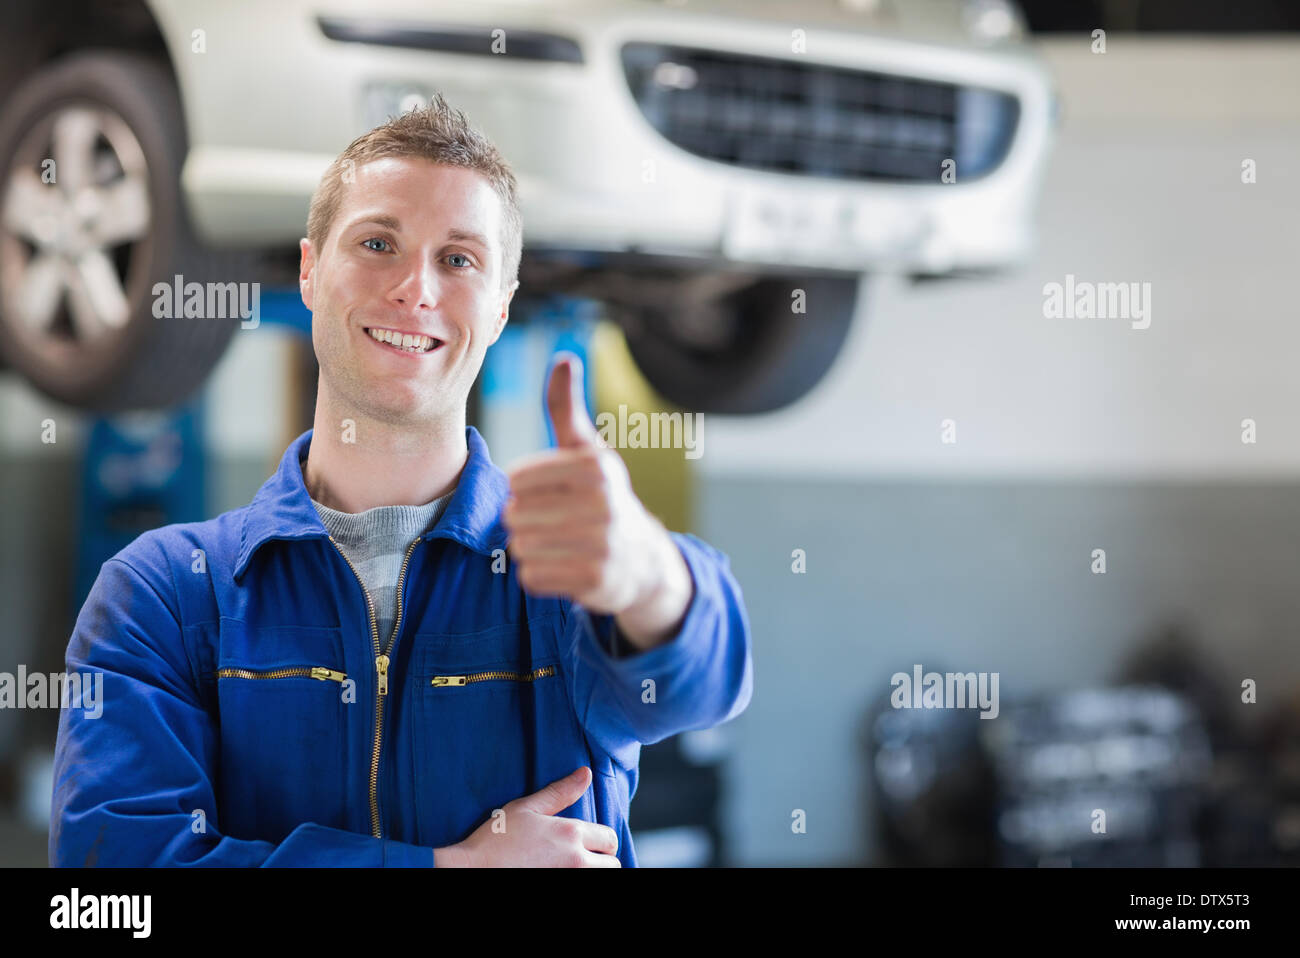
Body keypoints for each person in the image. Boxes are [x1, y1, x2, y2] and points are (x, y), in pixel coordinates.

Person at [48, 94, 752, 867]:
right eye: (378, 243)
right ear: (311, 272)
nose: (416, 288)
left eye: (460, 259)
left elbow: (705, 684)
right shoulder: (163, 594)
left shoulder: (564, 581)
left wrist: (649, 574)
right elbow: (105, 894)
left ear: (500, 306)